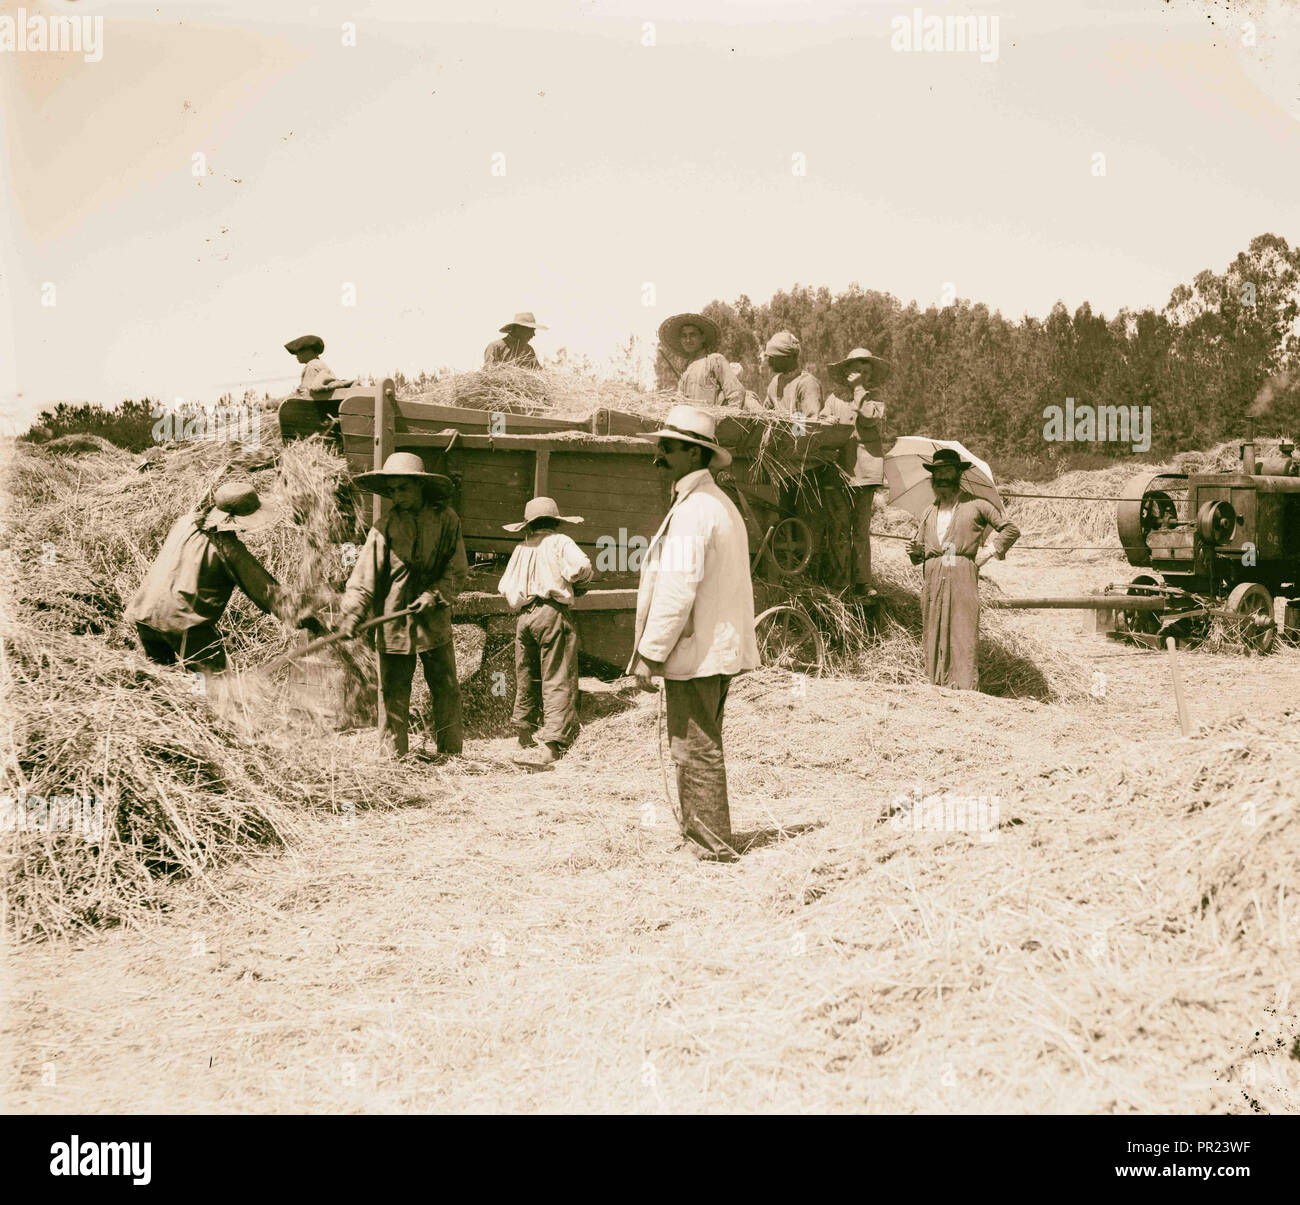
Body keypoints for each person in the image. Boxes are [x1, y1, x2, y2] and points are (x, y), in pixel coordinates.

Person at [629, 405, 759, 861]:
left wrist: (650, 653)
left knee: (694, 745)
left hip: (699, 649)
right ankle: (701, 835)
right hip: (710, 646)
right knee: (697, 741)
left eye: (667, 447)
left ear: (693, 453)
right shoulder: (710, 503)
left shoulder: (696, 510)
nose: (658, 454)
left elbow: (677, 589)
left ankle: (711, 845)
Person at [338, 452, 469, 757]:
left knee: (446, 688)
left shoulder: (447, 520)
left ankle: (450, 754)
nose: (397, 496)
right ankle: (391, 757)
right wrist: (352, 614)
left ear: (420, 487)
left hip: (433, 621)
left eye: (403, 489)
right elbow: (363, 579)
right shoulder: (383, 528)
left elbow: (456, 568)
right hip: (394, 624)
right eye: (392, 490)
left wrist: (435, 594)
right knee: (393, 693)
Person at [127, 482, 321, 673]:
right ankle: (206, 700)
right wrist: (307, 619)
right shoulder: (228, 549)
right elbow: (268, 593)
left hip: (145, 614)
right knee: (217, 684)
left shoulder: (185, 522)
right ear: (238, 519)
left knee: (163, 682)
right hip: (184, 626)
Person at [906, 449, 1020, 690]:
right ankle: (936, 685)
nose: (942, 477)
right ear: (933, 477)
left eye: (947, 471)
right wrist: (915, 551)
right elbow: (920, 554)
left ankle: (965, 689)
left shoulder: (977, 504)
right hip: (933, 575)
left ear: (958, 474)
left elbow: (1010, 530)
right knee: (933, 627)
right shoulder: (929, 511)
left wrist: (988, 553)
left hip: (962, 571)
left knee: (962, 627)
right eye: (937, 472)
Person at [498, 497, 595, 769]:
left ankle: (524, 733)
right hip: (551, 613)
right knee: (557, 674)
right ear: (555, 522)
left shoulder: (521, 548)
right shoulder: (560, 542)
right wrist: (580, 584)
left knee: (526, 673)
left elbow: (505, 586)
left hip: (524, 617)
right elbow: (581, 568)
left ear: (529, 525)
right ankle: (554, 745)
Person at [821, 347, 892, 597]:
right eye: (855, 371)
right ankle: (841, 582)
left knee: (860, 531)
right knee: (839, 529)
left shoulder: (874, 400)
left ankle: (862, 581)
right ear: (845, 373)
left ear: (870, 377)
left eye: (865, 372)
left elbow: (869, 418)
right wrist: (826, 421)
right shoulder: (834, 399)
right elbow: (821, 423)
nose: (859, 375)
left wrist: (860, 390)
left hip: (864, 474)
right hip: (839, 471)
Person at [657, 312, 743, 407]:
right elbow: (680, 401)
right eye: (684, 336)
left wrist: (728, 419)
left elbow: (736, 392)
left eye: (692, 335)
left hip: (713, 419)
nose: (688, 340)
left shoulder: (715, 360)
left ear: (702, 338)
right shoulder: (686, 371)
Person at [762, 331, 821, 418]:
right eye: (769, 358)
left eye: (774, 358)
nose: (770, 363)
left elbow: (812, 424)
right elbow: (765, 414)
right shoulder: (775, 383)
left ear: (790, 357)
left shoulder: (807, 384)